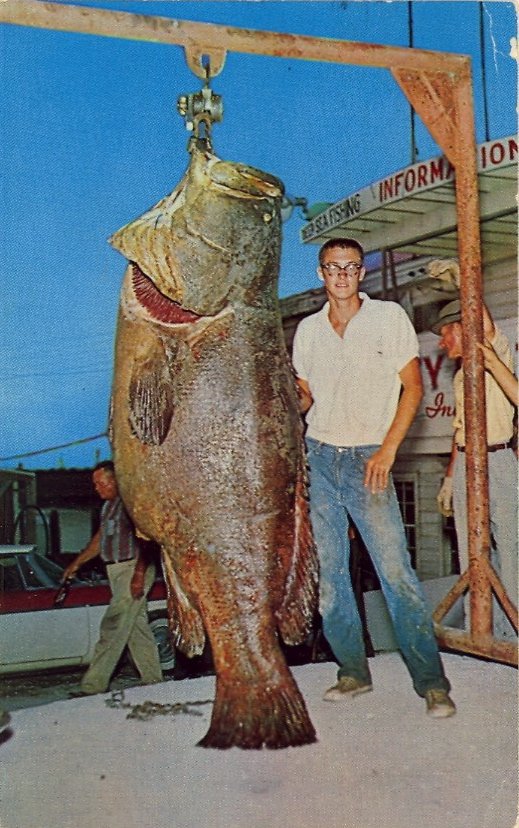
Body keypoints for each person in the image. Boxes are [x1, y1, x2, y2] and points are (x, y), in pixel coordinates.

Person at [292, 237, 455, 718]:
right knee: (331, 578)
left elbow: (413, 387)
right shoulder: (307, 330)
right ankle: (352, 672)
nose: (341, 275)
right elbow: (304, 398)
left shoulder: (388, 318)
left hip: (370, 460)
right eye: (332, 267)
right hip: (320, 457)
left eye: (350, 267)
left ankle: (431, 682)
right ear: (320, 273)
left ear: (361, 273)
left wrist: (387, 450)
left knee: (396, 575)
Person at [431, 295, 518, 640]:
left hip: (498, 461)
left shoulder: (494, 353)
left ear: (463, 328)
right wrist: (451, 477)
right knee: (471, 553)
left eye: (445, 333)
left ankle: (514, 635)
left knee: (511, 551)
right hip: (468, 462)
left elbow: (484, 322)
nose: (441, 342)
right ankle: (479, 632)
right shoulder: (459, 376)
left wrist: (461, 280)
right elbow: (460, 432)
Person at [62, 460, 163, 695]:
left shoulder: (131, 503)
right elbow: (99, 541)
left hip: (133, 568)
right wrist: (75, 564)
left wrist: (139, 574)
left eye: (100, 483)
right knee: (136, 629)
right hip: (115, 571)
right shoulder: (107, 508)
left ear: (115, 480)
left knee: (113, 624)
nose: (96, 488)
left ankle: (93, 685)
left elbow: (147, 540)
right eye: (95, 484)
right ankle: (154, 681)